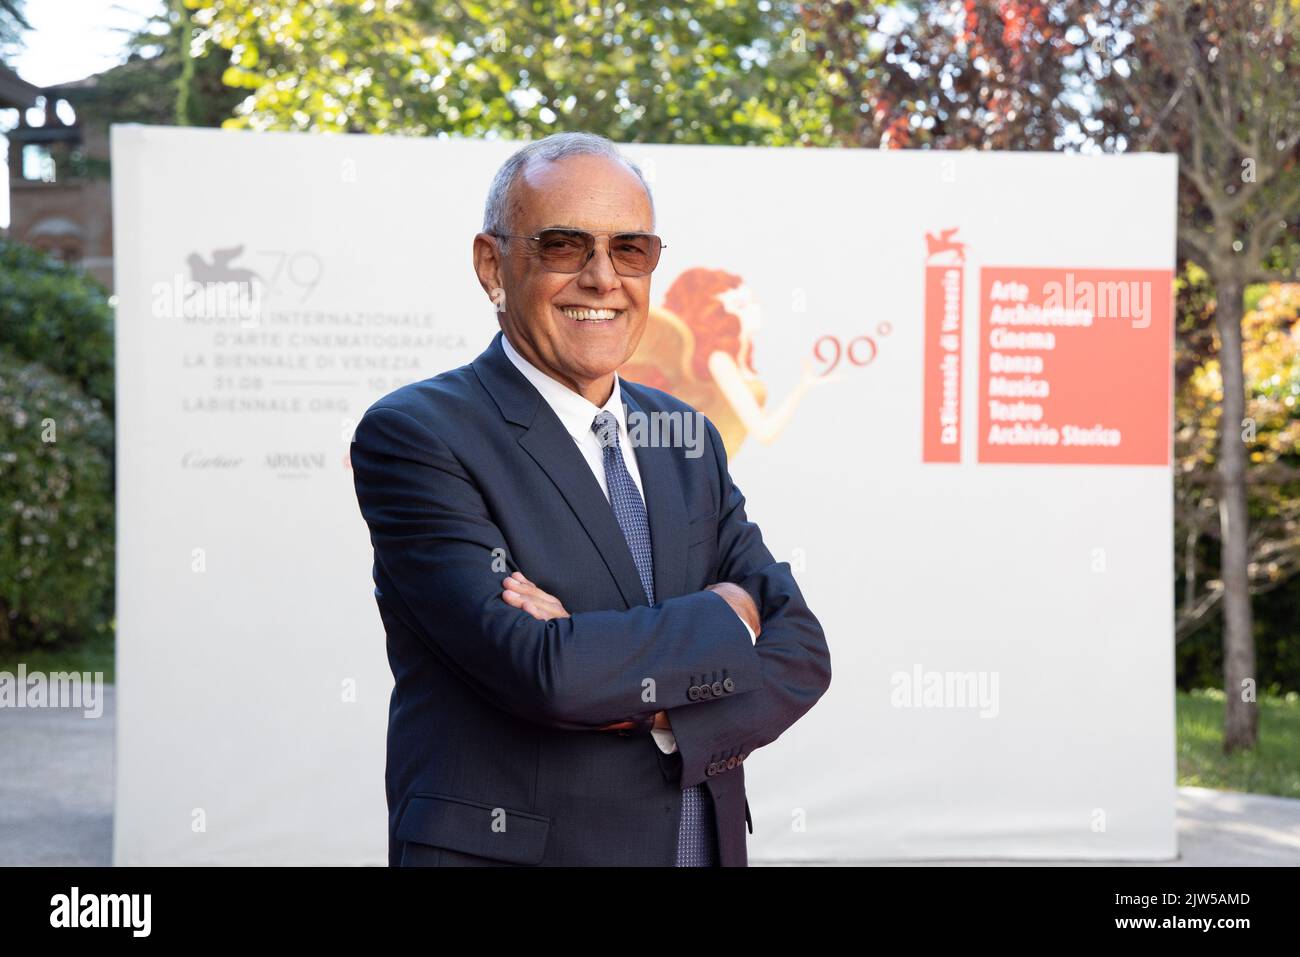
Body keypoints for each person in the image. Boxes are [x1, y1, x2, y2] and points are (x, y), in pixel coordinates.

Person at [350, 131, 831, 867]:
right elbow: (542, 672)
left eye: (630, 249)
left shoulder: (685, 436)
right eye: (565, 246)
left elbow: (801, 650)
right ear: (493, 265)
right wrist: (729, 617)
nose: (603, 278)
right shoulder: (417, 435)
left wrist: (653, 705)